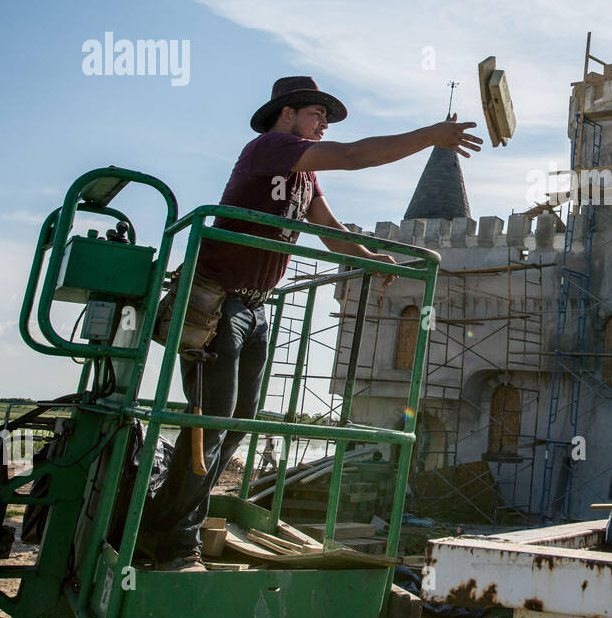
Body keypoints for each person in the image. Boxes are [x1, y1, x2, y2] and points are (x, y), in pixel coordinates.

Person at [143, 75, 481, 570]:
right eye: (317, 114)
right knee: (211, 422)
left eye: (326, 117)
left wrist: (367, 258)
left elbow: (327, 228)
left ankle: (166, 520)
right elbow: (355, 156)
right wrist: (431, 135)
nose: (324, 123)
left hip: (254, 308)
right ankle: (173, 541)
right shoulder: (270, 148)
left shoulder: (305, 176)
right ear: (287, 114)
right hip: (216, 303)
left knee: (236, 423)